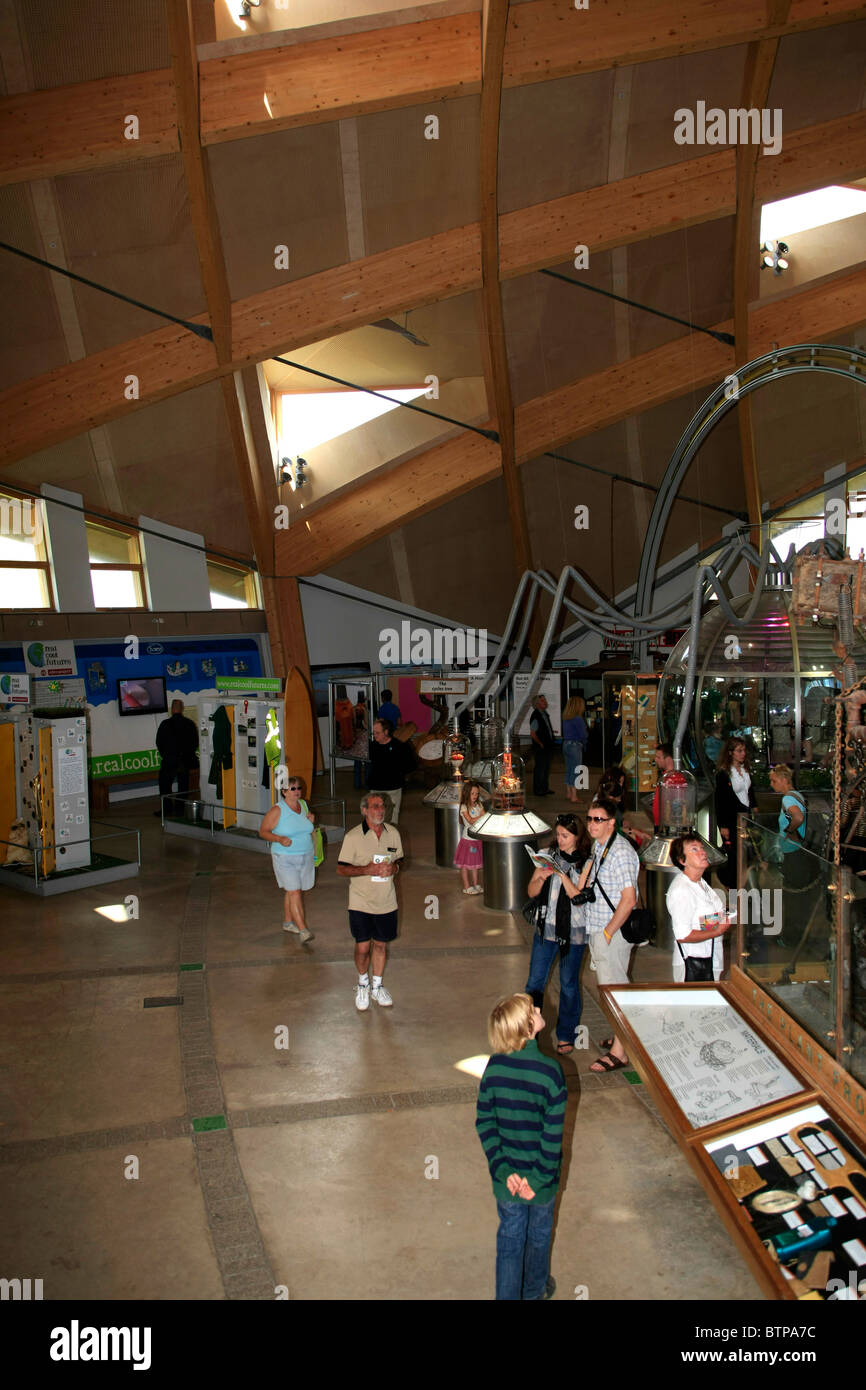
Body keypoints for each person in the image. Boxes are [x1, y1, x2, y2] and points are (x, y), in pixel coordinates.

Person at [475, 993, 567, 1301]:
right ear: (528, 1028)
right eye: (533, 1010)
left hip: (507, 1181)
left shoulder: (493, 1068)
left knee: (510, 1239)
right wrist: (538, 1180)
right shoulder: (551, 1073)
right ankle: (534, 1291)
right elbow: (552, 1138)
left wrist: (503, 1170)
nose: (539, 1009)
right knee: (539, 1235)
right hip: (540, 1183)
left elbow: (485, 1123)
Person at [575, 797, 640, 1073]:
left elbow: (629, 899)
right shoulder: (600, 848)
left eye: (598, 819)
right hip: (600, 928)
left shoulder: (620, 852)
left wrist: (607, 933)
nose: (592, 824)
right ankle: (620, 1037)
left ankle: (620, 1052)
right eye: (589, 819)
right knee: (610, 987)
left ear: (612, 822)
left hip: (611, 932)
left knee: (614, 991)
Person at [525, 812, 592, 1056]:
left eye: (565, 836)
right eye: (558, 835)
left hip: (573, 934)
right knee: (535, 982)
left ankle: (566, 1033)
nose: (560, 840)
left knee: (569, 984)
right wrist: (541, 878)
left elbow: (579, 898)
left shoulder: (586, 861)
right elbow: (531, 892)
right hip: (546, 929)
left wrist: (562, 875)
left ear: (577, 837)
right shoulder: (548, 856)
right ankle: (530, 1032)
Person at [337, 792, 404, 1010]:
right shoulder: (353, 837)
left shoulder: (393, 833)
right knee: (363, 947)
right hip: (361, 902)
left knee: (381, 945)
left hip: (386, 901)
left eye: (382, 806)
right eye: (375, 806)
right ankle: (362, 983)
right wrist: (367, 869)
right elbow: (341, 869)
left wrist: (393, 867)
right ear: (364, 810)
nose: (380, 810)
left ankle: (377, 986)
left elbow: (400, 862)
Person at [258, 775, 317, 943]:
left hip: (305, 854)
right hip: (284, 857)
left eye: (299, 788)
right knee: (294, 891)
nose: (297, 791)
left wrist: (312, 822)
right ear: (284, 792)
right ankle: (303, 930)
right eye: (293, 789)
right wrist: (279, 839)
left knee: (293, 890)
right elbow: (263, 831)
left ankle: (288, 922)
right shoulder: (278, 810)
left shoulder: (304, 805)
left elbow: (306, 828)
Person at [667, 834, 732, 982]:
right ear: (682, 860)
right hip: (693, 963)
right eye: (694, 849)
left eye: (702, 848)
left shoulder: (701, 883)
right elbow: (683, 935)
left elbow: (699, 920)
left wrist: (721, 919)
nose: (702, 852)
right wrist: (717, 930)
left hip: (710, 959)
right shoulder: (681, 890)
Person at [714, 738, 757, 890]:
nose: (743, 754)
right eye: (739, 751)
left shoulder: (745, 770)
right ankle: (731, 884)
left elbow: (750, 792)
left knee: (746, 852)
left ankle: (743, 884)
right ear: (731, 753)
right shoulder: (724, 774)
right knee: (734, 854)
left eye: (744, 750)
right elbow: (720, 801)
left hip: (746, 817)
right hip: (732, 819)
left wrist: (755, 809)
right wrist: (723, 825)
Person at [154, 699, 198, 816]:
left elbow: (159, 742)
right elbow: (195, 743)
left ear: (172, 709)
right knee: (183, 786)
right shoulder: (190, 724)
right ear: (182, 709)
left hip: (169, 760)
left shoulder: (165, 724)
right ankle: (180, 809)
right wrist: (187, 755)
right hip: (185, 760)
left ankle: (167, 809)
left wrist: (166, 755)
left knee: (164, 786)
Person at [368, 718, 411, 824]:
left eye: (377, 733)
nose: (375, 735)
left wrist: (399, 774)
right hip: (376, 788)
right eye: (374, 733)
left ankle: (391, 839)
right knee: (375, 817)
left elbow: (409, 765)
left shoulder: (399, 746)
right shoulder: (372, 746)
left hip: (393, 788)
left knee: (392, 817)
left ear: (386, 732)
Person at [454, 780, 486, 894]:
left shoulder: (479, 805)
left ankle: (476, 884)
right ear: (467, 793)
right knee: (466, 864)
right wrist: (481, 816)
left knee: (475, 865)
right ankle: (467, 886)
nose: (475, 796)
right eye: (472, 793)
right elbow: (471, 821)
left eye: (477, 794)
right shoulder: (464, 807)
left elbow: (485, 817)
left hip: (477, 839)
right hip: (468, 840)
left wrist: (483, 816)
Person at [561, 697, 588, 802]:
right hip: (575, 745)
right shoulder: (578, 719)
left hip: (566, 744)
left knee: (569, 769)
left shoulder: (566, 718)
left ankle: (568, 792)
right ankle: (574, 796)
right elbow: (583, 734)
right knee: (576, 770)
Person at [529, 693, 556, 796]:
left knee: (546, 768)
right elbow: (533, 733)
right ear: (537, 704)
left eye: (545, 700)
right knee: (540, 768)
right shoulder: (536, 715)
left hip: (547, 746)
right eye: (542, 701)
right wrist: (540, 743)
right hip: (541, 748)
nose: (545, 702)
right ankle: (538, 790)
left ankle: (544, 788)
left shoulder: (544, 714)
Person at [651, 743, 675, 829]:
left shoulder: (674, 779)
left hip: (666, 827)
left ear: (668, 759)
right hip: (660, 825)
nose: (655, 760)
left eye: (658, 757)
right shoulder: (665, 776)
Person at [352, 691, 368, 790]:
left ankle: (357, 784)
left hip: (356, 736)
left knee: (357, 764)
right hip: (364, 737)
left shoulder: (353, 708)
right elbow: (366, 723)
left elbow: (352, 723)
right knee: (367, 764)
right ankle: (367, 784)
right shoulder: (365, 709)